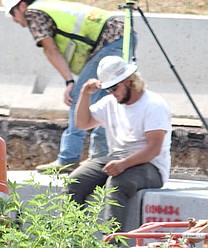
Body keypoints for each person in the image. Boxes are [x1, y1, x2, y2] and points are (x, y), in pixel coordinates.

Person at [1, 0, 134, 171]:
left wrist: (70, 82)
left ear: (21, 6)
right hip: (123, 34)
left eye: (12, 14)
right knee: (107, 100)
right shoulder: (47, 6)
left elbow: (51, 49)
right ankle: (101, 159)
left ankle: (68, 159)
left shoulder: (33, 13)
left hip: (112, 39)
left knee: (81, 96)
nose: (15, 20)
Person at [67, 56, 171, 233]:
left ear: (130, 81)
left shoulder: (154, 104)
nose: (113, 93)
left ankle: (111, 243)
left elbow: (154, 149)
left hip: (151, 166)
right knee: (74, 183)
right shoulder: (110, 102)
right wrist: (85, 93)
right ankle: (75, 238)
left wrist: (123, 165)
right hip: (117, 158)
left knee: (116, 184)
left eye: (115, 88)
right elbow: (82, 123)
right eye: (108, 89)